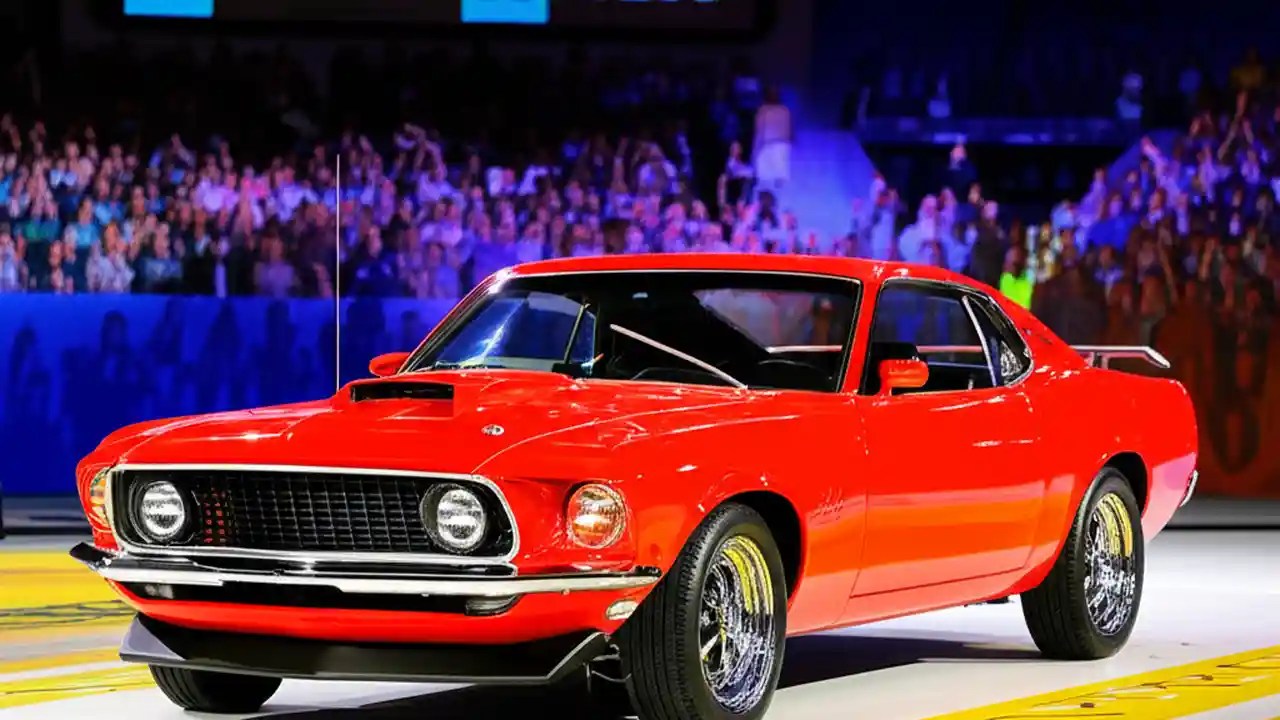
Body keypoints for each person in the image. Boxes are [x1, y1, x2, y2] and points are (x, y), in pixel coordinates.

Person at [753, 85, 792, 193]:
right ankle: (764, 184)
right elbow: (759, 127)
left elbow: (787, 127)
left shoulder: (783, 110)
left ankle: (777, 182)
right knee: (765, 166)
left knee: (779, 164)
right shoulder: (763, 110)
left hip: (779, 142)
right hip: (768, 142)